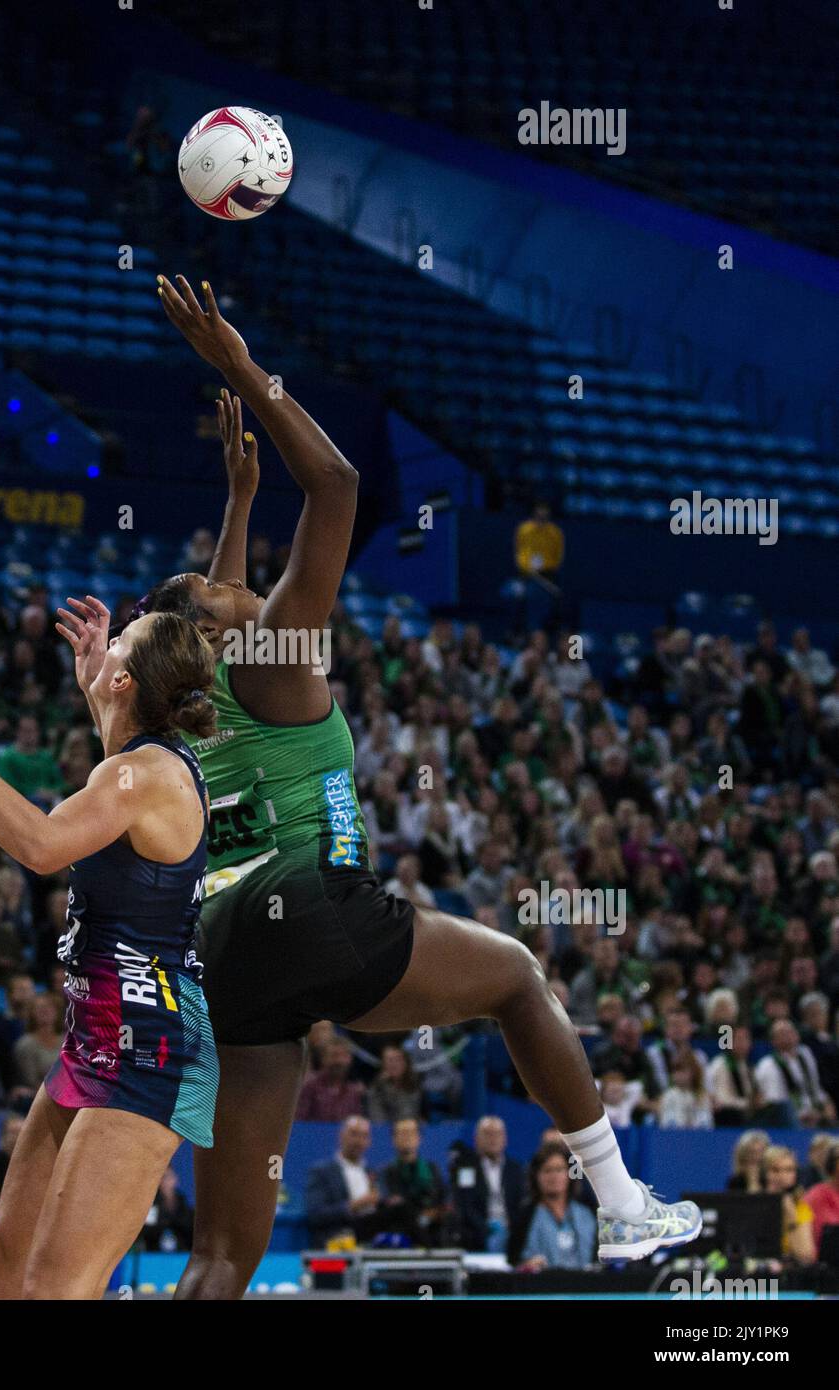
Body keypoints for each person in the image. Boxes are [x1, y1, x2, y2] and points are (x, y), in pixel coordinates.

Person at [124, 275, 701, 1298]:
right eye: (228, 583)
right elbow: (340, 486)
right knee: (519, 976)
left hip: (226, 957)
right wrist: (243, 370)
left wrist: (239, 497)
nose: (245, 578)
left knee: (221, 1253)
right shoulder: (269, 649)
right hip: (312, 911)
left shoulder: (191, 704)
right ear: (214, 623)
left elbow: (203, 597)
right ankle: (621, 1208)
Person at [0, 598, 219, 1300]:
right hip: (96, 1034)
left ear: (130, 684)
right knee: (8, 1267)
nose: (111, 643)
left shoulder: (145, 776)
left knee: (55, 1291)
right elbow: (117, 739)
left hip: (150, 1045)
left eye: (122, 641)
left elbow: (39, 846)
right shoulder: (136, 760)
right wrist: (97, 676)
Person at [508, 1140, 597, 1270]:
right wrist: (526, 1266)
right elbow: (512, 1260)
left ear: (569, 1174)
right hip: (539, 1285)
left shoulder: (587, 1213)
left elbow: (598, 1259)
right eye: (547, 1170)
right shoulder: (524, 1216)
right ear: (536, 1176)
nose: (554, 1176)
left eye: (559, 1170)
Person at [449, 1115, 525, 1253]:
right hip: (477, 1234)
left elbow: (521, 1204)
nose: (493, 1139)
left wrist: (510, 1226)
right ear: (476, 1139)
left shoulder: (516, 1169)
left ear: (505, 1139)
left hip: (511, 1232)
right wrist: (485, 1228)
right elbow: (465, 1204)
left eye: (497, 1134)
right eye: (487, 1134)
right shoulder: (465, 1168)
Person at [304, 1115, 378, 1245]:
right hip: (336, 1243)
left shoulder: (372, 1173)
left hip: (371, 1242)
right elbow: (315, 1214)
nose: (359, 1141)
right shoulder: (322, 1172)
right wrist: (353, 1206)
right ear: (341, 1135)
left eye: (364, 1136)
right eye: (354, 1134)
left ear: (369, 1141)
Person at [377, 1117, 448, 1246]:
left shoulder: (432, 1169)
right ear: (393, 1139)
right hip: (399, 1235)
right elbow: (389, 1204)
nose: (407, 1137)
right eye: (402, 1133)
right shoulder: (386, 1172)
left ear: (419, 1138)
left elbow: (442, 1201)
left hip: (432, 1233)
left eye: (411, 1133)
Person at [761, 1145, 816, 1265]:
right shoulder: (751, 1204)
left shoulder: (800, 1208)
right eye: (775, 1170)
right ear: (764, 1174)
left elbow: (805, 1256)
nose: (782, 1176)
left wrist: (791, 1216)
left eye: (789, 1170)